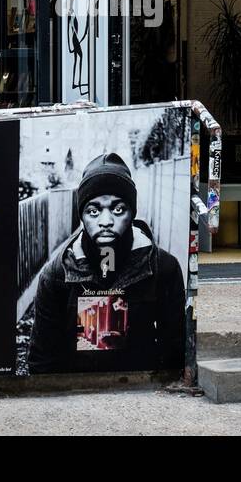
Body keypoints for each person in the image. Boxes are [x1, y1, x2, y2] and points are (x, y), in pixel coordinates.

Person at [28, 153, 184, 374]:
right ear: (81, 216)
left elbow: (175, 351)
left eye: (118, 209)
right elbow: (42, 360)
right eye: (93, 211)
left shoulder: (162, 268)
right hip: (76, 391)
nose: (106, 221)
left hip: (142, 390)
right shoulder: (57, 275)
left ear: (132, 212)